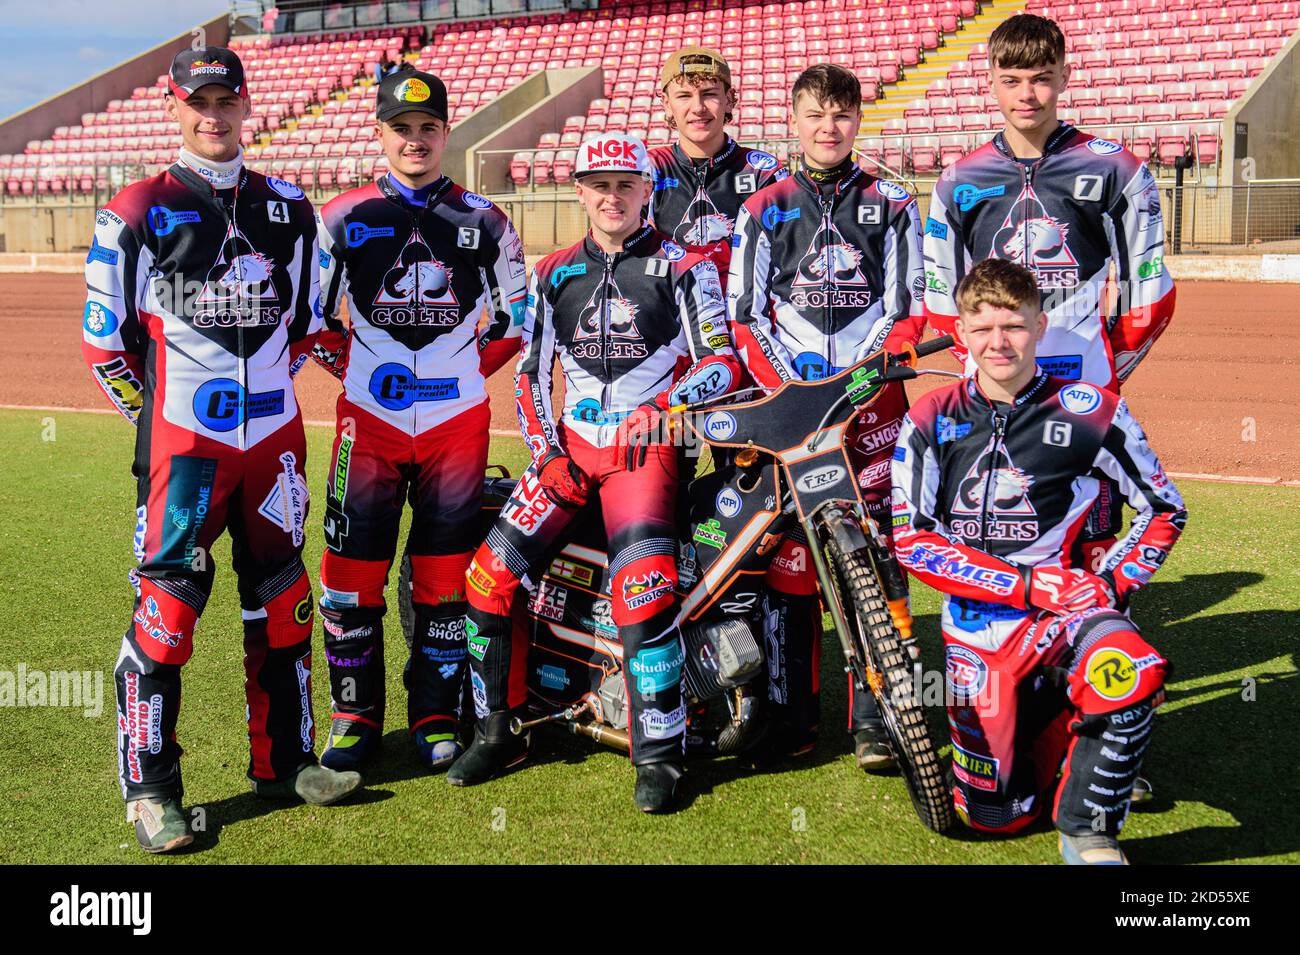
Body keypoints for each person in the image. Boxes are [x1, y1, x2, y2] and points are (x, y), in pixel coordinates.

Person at [82, 46, 360, 854]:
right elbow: (108, 349)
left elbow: (315, 324)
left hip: (273, 448)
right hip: (184, 451)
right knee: (167, 613)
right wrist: (163, 424)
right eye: (198, 102)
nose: (214, 115)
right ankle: (152, 790)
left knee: (282, 600)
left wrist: (269, 391)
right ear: (173, 106)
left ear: (246, 106)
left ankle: (288, 760)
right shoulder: (134, 209)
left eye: (226, 101)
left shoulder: (289, 207)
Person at [923, 13, 1177, 800]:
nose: (1026, 93)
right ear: (990, 82)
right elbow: (940, 301)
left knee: (1095, 557)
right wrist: (993, 374)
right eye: (1011, 78)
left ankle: (1107, 738)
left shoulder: (1114, 165)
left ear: (1064, 76)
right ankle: (1015, 711)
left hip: (1081, 399)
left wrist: (1102, 382)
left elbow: (1148, 293)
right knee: (999, 535)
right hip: (997, 398)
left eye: (1040, 77)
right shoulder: (960, 179)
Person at [446, 133, 740, 812]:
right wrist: (546, 448)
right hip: (571, 451)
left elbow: (721, 363)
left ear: (647, 192)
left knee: (644, 597)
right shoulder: (551, 272)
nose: (612, 196)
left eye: (625, 184)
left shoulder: (689, 267)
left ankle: (660, 751)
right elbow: (526, 375)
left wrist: (668, 406)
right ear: (579, 191)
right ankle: (500, 729)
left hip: (649, 454)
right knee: (486, 579)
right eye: (598, 184)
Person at [892, 258, 1186, 864]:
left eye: (1015, 326)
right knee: (995, 817)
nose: (999, 342)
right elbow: (913, 542)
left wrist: (1107, 585)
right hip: (978, 623)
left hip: (1064, 615)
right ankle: (1070, 747)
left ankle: (1088, 828)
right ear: (962, 334)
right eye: (983, 328)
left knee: (1130, 670)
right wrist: (1026, 584)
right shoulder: (929, 417)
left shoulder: (1090, 409)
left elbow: (1165, 510)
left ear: (1041, 325)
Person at [311, 67, 528, 774]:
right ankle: (354, 719)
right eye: (401, 129)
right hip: (365, 426)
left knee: (443, 578)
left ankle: (434, 714)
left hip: (456, 428)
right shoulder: (341, 217)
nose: (415, 140)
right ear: (380, 133)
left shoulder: (486, 221)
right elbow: (309, 321)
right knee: (350, 578)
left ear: (445, 133)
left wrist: (459, 376)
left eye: (428, 128)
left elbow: (514, 319)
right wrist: (365, 376)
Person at [728, 63, 925, 768]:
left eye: (841, 114)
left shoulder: (895, 201)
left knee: (879, 560)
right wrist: (792, 395)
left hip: (872, 414)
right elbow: (742, 315)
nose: (828, 127)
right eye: (815, 114)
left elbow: (908, 312)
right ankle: (793, 717)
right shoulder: (762, 206)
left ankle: (881, 717)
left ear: (857, 121)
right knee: (788, 565)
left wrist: (860, 385)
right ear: (794, 119)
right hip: (789, 414)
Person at [648, 46, 788, 278]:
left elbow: (787, 256)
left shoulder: (764, 172)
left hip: (744, 311)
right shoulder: (650, 170)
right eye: (684, 95)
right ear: (665, 102)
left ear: (730, 99)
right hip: (672, 310)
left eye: (710, 93)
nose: (698, 108)